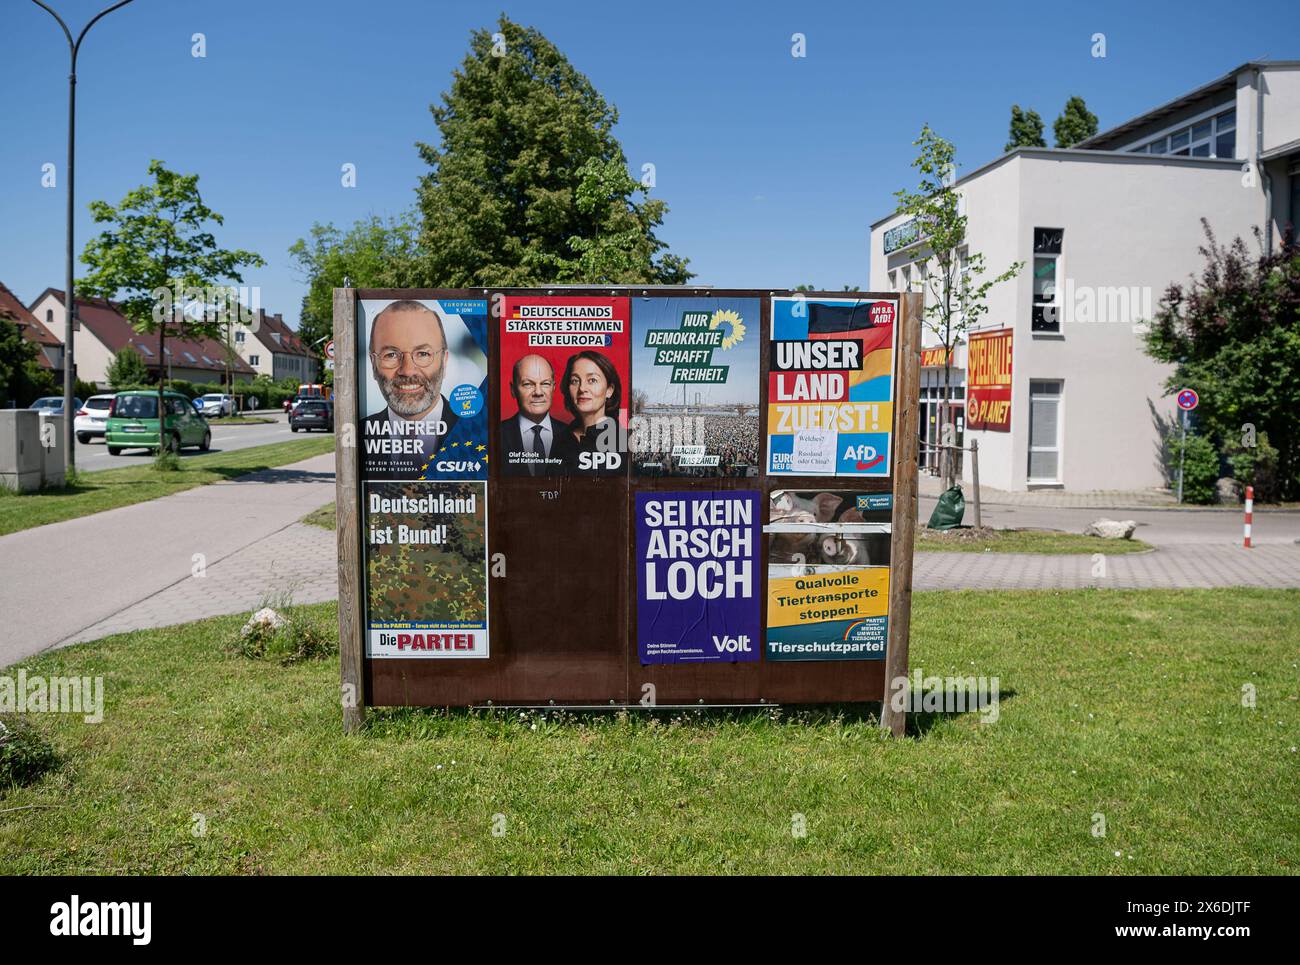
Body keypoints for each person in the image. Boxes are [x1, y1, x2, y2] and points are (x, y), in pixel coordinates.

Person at [362, 300, 457, 479]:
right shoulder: (357, 436)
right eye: (391, 355)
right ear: (373, 365)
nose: (407, 371)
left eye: (423, 354)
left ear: (444, 362)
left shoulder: (478, 431)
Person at [499, 354, 577, 476]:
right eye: (528, 384)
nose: (538, 392)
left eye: (545, 383)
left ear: (553, 388)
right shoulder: (494, 435)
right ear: (513, 390)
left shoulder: (573, 437)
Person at [561, 350, 624, 475]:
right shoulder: (560, 439)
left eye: (592, 380)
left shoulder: (624, 440)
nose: (582, 388)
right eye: (575, 381)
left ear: (609, 390)